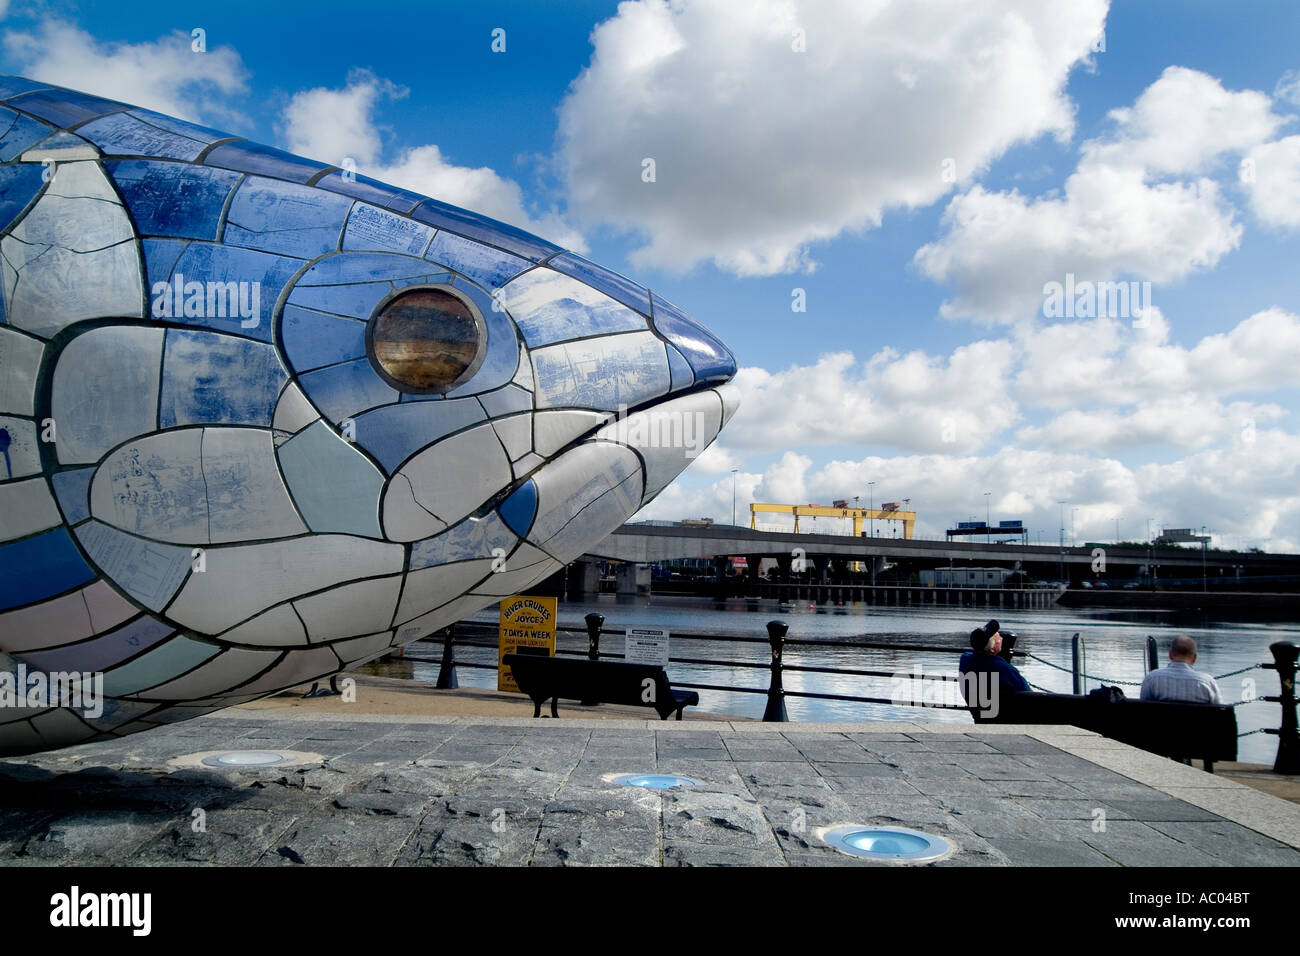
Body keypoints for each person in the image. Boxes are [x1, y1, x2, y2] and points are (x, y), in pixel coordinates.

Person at [958, 619, 1030, 717]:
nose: (1001, 637)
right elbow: (1029, 694)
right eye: (997, 636)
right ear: (992, 648)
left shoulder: (965, 660)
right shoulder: (1004, 669)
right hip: (1004, 718)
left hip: (979, 717)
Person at [1139, 635, 1223, 704]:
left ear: (1170, 655)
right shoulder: (1207, 682)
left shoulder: (1152, 678)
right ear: (1194, 658)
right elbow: (1219, 709)